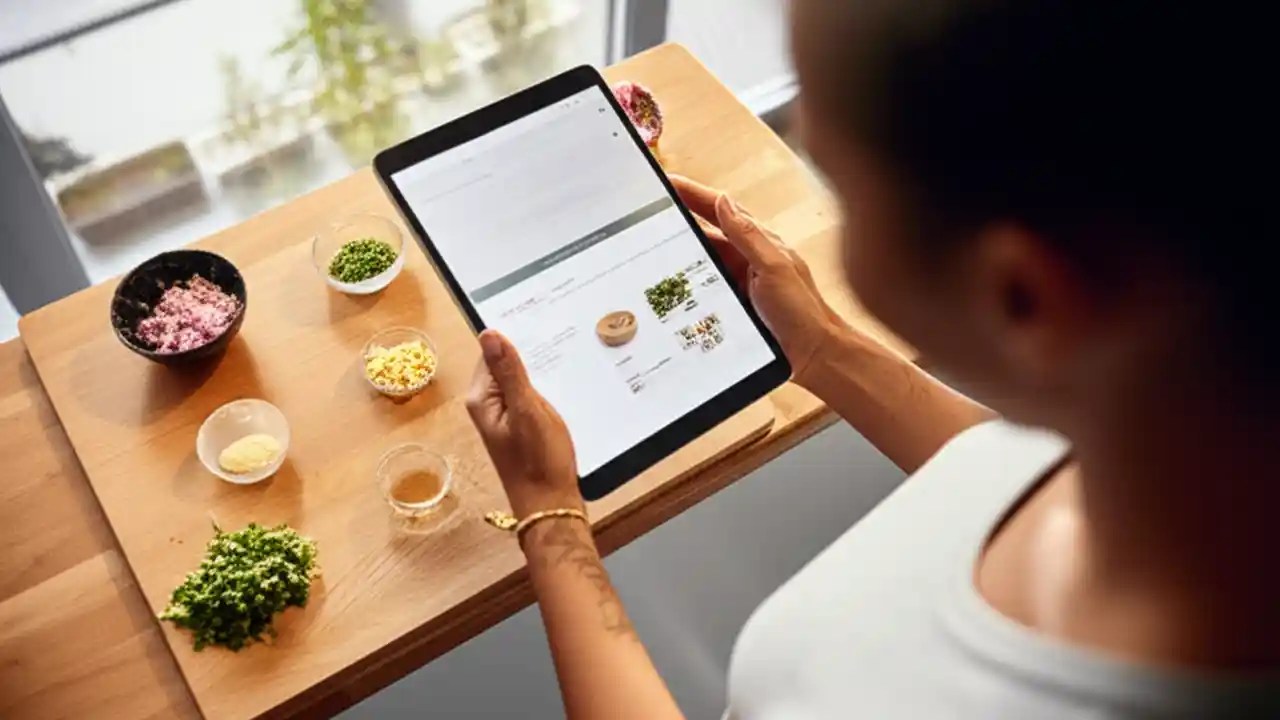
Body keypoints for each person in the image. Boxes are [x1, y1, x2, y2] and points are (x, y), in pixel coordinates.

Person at [465, 1, 1277, 717]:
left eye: (841, 184)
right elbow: (1003, 468)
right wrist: (820, 343)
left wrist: (550, 517)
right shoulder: (1183, 436)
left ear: (1023, 297)